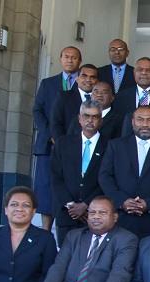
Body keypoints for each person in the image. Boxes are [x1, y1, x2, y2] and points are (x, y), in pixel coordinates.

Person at [99, 106, 150, 238]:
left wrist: (149, 203)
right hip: (120, 218)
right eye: (140, 120)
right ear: (133, 122)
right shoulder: (116, 146)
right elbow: (105, 176)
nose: (145, 124)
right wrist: (122, 201)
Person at [33, 46, 82, 231]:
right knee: (46, 186)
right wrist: (51, 135)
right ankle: (46, 230)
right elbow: (37, 110)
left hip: (74, 144)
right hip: (49, 145)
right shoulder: (48, 83)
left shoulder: (85, 84)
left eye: (74, 58)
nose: (70, 60)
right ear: (61, 59)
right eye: (67, 57)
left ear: (79, 61)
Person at [51, 100, 109, 246]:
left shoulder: (110, 146)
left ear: (100, 120)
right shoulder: (63, 143)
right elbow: (56, 177)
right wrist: (71, 205)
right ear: (79, 118)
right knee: (66, 260)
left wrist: (86, 204)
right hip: (67, 214)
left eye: (95, 117)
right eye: (86, 116)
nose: (90, 120)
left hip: (96, 215)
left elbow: (108, 180)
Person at [51, 64, 99, 141]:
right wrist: (62, 145)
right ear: (77, 79)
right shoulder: (64, 97)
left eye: (92, 77)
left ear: (97, 81)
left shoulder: (100, 100)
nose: (88, 80)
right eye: (84, 76)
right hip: (67, 145)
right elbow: (56, 123)